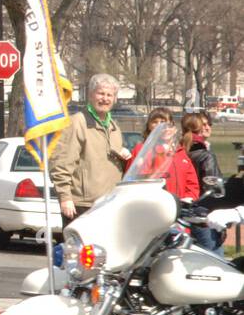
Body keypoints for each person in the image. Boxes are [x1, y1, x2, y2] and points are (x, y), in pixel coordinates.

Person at [51, 73, 129, 221]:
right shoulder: (77, 123)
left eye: (109, 95)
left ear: (115, 98)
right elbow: (61, 163)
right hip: (82, 205)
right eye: (100, 93)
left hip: (109, 203)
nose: (105, 99)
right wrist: (65, 197)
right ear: (90, 94)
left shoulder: (114, 128)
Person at [124, 109, 199, 204]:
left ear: (171, 125)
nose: (160, 126)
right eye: (155, 122)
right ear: (149, 126)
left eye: (163, 122)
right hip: (152, 206)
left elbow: (191, 183)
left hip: (179, 207)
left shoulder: (180, 153)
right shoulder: (142, 150)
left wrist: (189, 199)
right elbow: (131, 181)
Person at [184, 112, 223, 255]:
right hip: (204, 216)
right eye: (203, 124)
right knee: (215, 264)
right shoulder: (206, 156)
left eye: (209, 124)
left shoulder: (182, 150)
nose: (207, 127)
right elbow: (214, 191)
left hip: (185, 213)